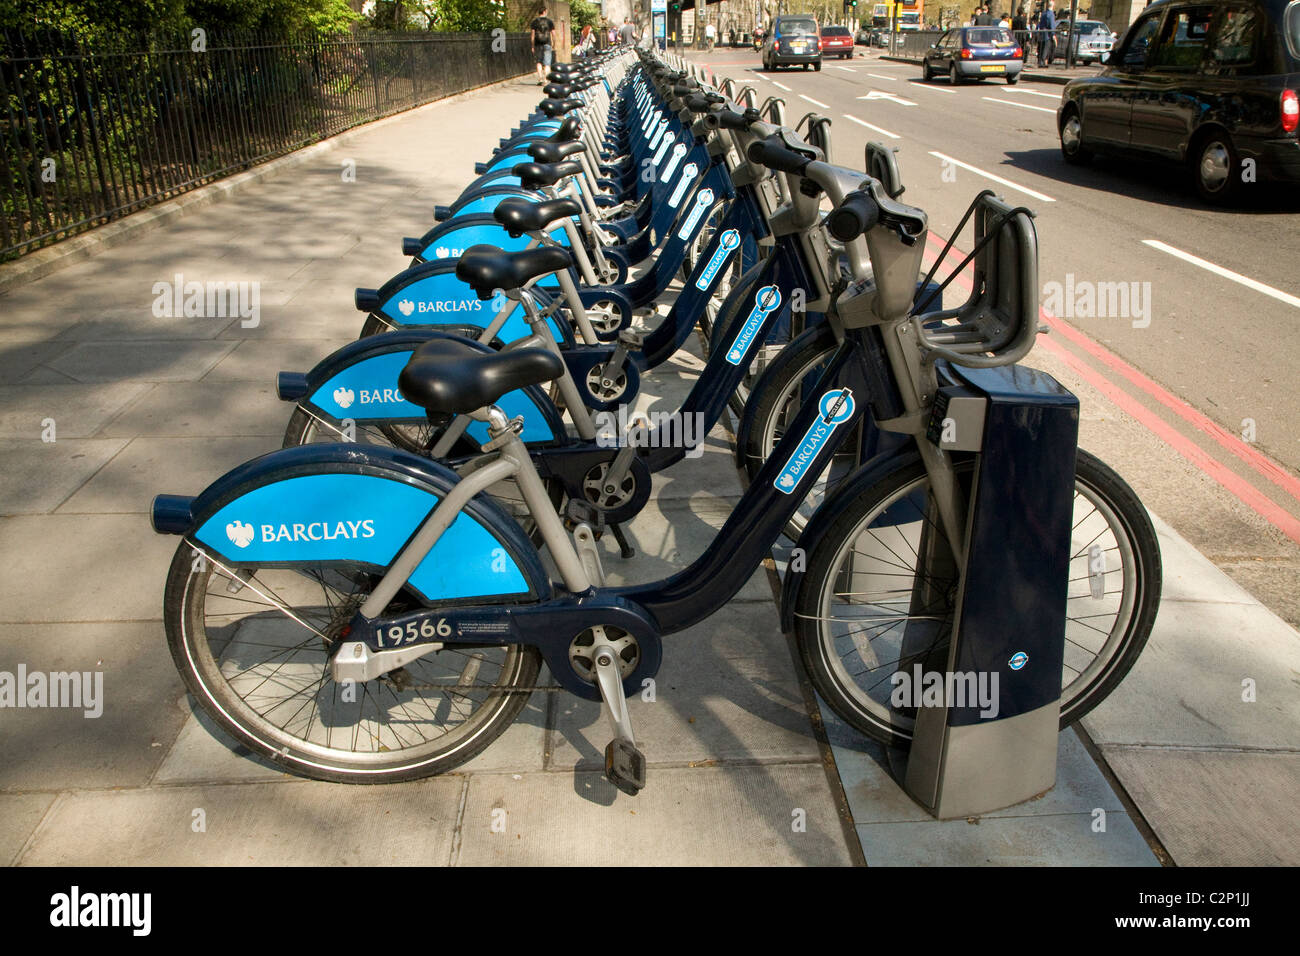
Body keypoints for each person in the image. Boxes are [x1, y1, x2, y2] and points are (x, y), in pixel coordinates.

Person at [530, 3, 554, 85]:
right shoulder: (549, 22)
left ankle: (540, 78)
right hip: (547, 43)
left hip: (538, 44)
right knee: (547, 63)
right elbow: (553, 33)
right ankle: (546, 80)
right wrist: (554, 43)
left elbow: (532, 35)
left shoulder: (534, 22)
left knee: (539, 62)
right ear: (544, 11)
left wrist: (532, 46)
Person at [1037, 0, 1056, 66]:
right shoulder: (1051, 14)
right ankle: (1042, 62)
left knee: (1041, 48)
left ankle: (1040, 61)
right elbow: (1052, 24)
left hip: (1042, 33)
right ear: (1053, 6)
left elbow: (1040, 23)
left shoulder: (1044, 13)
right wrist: (1053, 34)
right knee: (1046, 49)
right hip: (1048, 34)